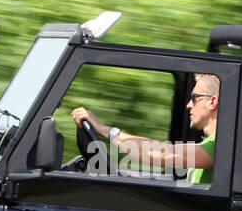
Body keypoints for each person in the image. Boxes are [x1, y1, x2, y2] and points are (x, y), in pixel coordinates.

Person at [70, 73, 219, 183]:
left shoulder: (218, 146)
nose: (188, 105)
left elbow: (164, 154)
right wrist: (106, 131)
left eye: (194, 98)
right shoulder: (209, 144)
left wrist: (105, 130)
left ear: (212, 102)